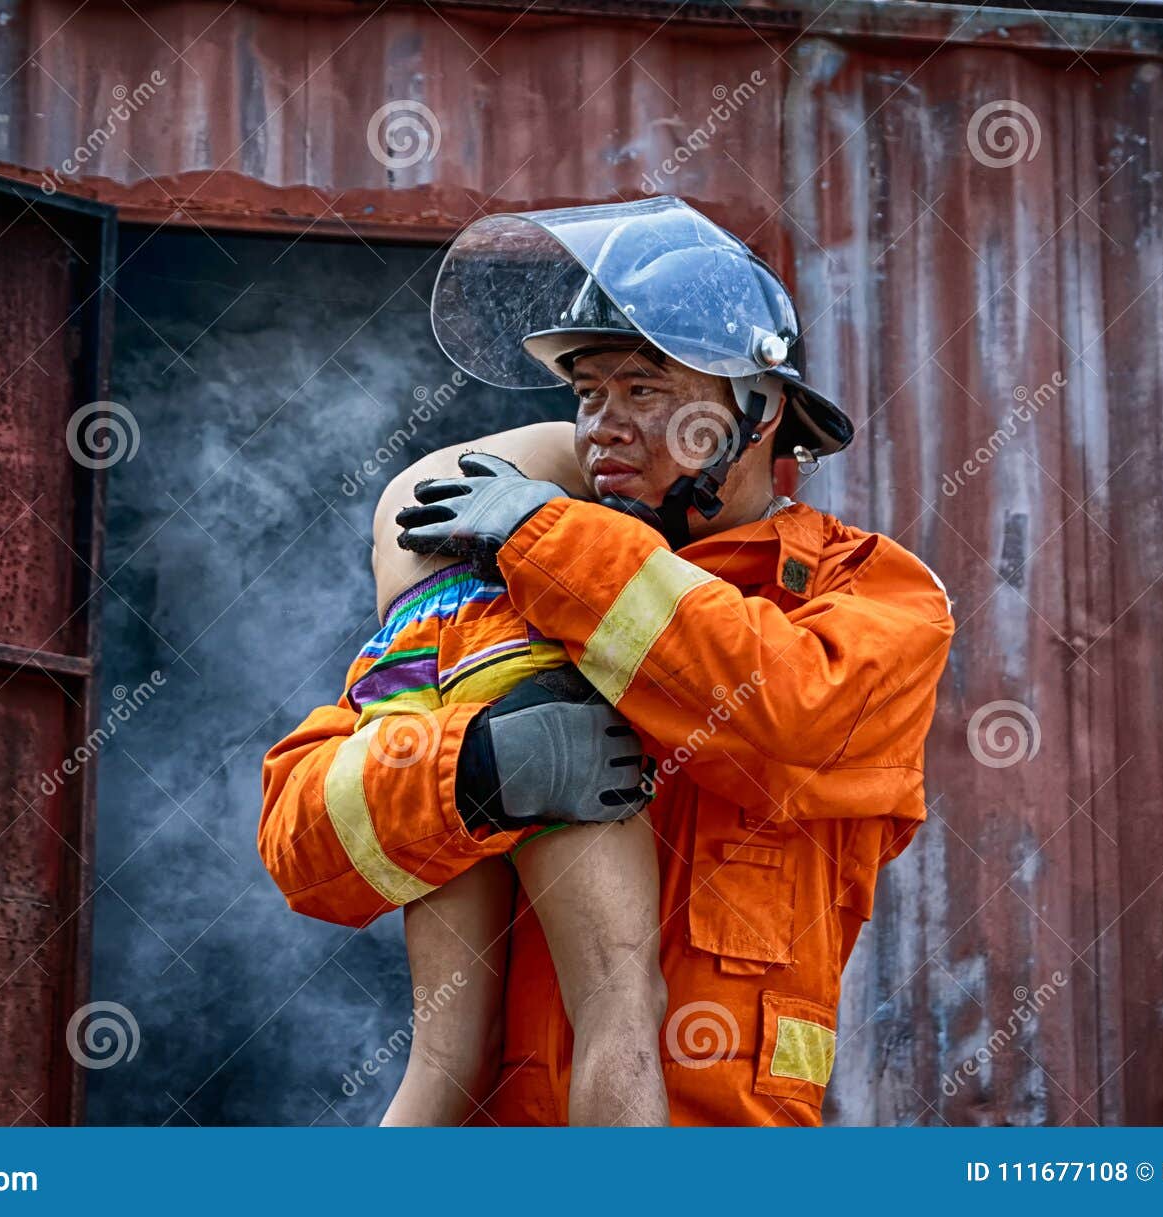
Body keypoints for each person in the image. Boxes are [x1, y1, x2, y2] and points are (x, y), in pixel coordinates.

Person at [258, 197, 955, 1125]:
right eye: (589, 394)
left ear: (759, 409)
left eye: (646, 389)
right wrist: (470, 775)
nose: (604, 426)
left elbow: (787, 713)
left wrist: (551, 540)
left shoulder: (868, 592)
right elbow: (306, 852)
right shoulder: (507, 600)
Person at [359, 422, 668, 1126]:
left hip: (401, 668)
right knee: (618, 1002)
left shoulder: (493, 449)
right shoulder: (621, 437)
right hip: (504, 627)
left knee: (445, 1052)